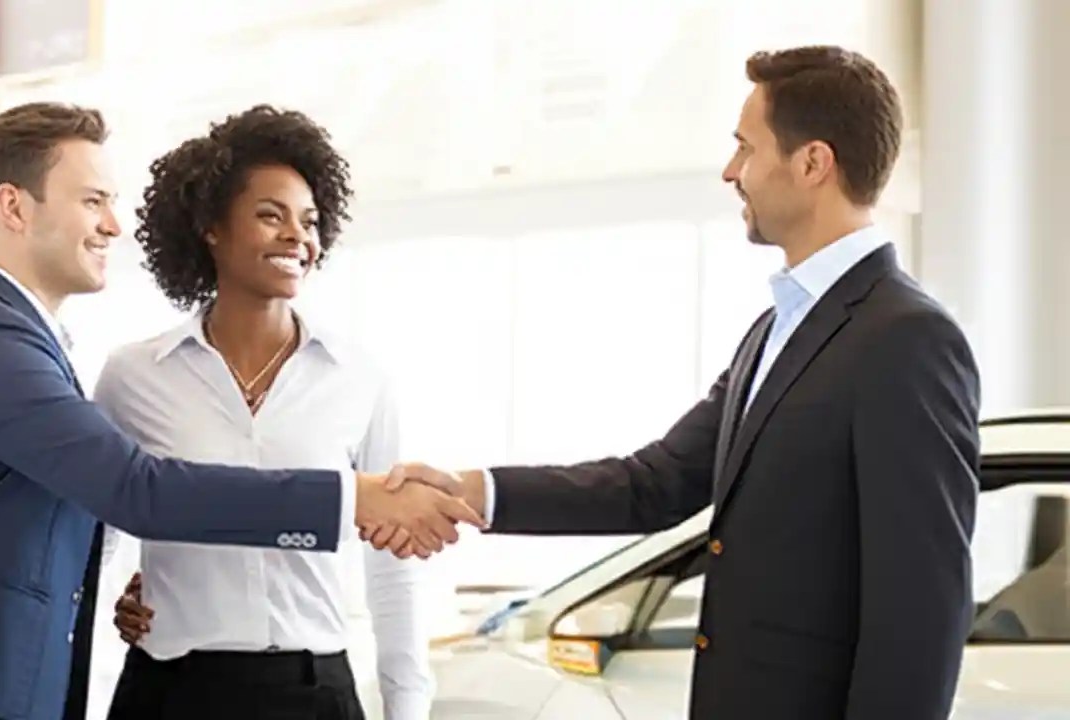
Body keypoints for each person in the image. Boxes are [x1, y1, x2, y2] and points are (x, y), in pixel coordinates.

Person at [382, 46, 982, 720]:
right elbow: (656, 482)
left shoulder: (906, 338)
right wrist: (477, 492)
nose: (731, 172)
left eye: (745, 150)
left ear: (813, 163)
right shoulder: (774, 330)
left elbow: (921, 603)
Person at [0, 102, 482, 720]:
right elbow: (134, 491)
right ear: (13, 206)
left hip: (303, 684)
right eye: (92, 200)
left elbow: (87, 507)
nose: (112, 225)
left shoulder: (20, 337)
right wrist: (353, 500)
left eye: (310, 220)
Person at [92, 105, 434, 719]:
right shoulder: (135, 375)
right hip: (170, 691)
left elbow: (393, 566)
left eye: (309, 221)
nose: (296, 237)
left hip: (312, 691)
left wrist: (407, 709)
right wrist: (119, 599)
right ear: (211, 229)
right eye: (270, 216)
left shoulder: (358, 379)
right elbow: (95, 533)